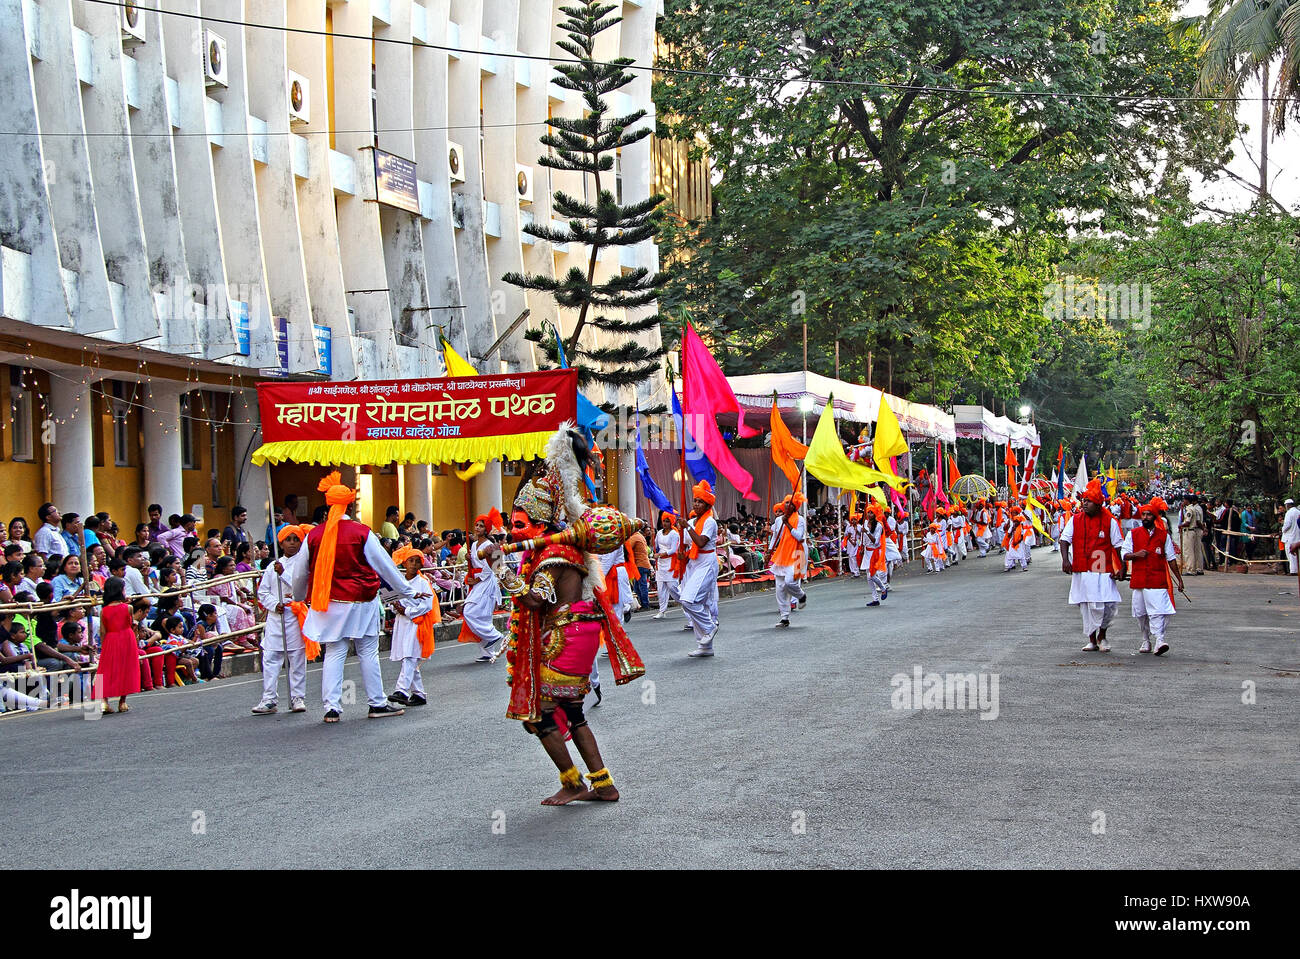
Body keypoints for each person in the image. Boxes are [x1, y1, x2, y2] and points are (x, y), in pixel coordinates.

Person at [490, 425, 645, 805]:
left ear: (542, 526)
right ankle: (602, 784)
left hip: (565, 636)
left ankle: (575, 782)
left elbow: (534, 601)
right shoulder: (566, 552)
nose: (514, 530)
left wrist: (500, 568)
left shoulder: (551, 556)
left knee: (539, 716)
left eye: (520, 525)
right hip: (578, 632)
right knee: (573, 713)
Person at [287, 471, 414, 723]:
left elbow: (300, 572)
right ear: (348, 504)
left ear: (327, 504)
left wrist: (300, 596)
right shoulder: (360, 532)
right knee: (367, 651)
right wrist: (407, 590)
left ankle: (332, 707)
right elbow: (384, 565)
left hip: (328, 603)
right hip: (360, 601)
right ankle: (376, 703)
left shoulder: (314, 535)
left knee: (335, 651)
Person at [1059, 480, 1125, 653]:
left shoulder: (1110, 521)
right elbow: (1064, 540)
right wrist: (1066, 560)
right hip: (1082, 569)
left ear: (1098, 504)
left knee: (1108, 605)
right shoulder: (1075, 520)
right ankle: (1092, 640)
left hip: (1103, 568)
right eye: (1084, 501)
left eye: (1088, 501)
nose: (1084, 504)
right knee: (1087, 605)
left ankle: (1102, 635)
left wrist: (1123, 566)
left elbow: (1118, 546)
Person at [253, 525, 310, 715]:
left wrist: (283, 572)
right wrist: (273, 604)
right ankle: (269, 698)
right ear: (281, 542)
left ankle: (297, 697)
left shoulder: (303, 563)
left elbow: (300, 587)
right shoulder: (272, 566)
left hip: (295, 615)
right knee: (271, 658)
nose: (292, 543)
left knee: (296, 659)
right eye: (288, 539)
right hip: (277, 617)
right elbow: (263, 591)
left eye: (296, 539)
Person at [1122, 498, 1184, 656]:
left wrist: (1179, 580)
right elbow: (1124, 554)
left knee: (1158, 611)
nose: (1145, 517)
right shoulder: (1133, 534)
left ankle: (1160, 640)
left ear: (1155, 517)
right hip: (1139, 580)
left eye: (1149, 515)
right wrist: (1137, 554)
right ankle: (1146, 639)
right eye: (1143, 514)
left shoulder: (1163, 536)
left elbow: (1171, 559)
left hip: (1157, 580)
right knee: (1141, 613)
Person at [386, 544, 438, 708]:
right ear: (404, 563)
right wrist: (397, 608)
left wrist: (407, 610)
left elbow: (427, 605)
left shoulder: (423, 582)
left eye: (417, 561)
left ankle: (401, 690)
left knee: (410, 657)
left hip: (417, 623)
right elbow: (392, 600)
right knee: (409, 657)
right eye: (411, 561)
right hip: (402, 623)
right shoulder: (399, 581)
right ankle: (419, 694)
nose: (414, 564)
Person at [678, 480, 721, 657]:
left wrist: (687, 527)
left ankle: (710, 627)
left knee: (688, 600)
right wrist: (683, 554)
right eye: (695, 500)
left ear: (708, 504)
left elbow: (701, 542)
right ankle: (705, 647)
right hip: (693, 564)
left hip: (707, 562)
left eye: (700, 501)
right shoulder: (692, 520)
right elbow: (689, 545)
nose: (696, 504)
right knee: (695, 603)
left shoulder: (709, 522)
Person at [458, 510, 507, 662]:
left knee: (470, 611)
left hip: (486, 582)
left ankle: (494, 636)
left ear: (486, 529)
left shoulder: (490, 545)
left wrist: (477, 580)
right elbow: (475, 563)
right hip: (477, 581)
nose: (477, 528)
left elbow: (491, 566)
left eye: (481, 526)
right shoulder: (473, 545)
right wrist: (469, 558)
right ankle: (487, 652)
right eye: (476, 525)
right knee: (481, 615)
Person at [96, 577, 140, 713]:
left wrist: (103, 646)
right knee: (126, 667)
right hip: (126, 637)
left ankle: (104, 701)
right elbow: (131, 624)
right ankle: (122, 702)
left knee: (106, 669)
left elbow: (103, 631)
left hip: (110, 638)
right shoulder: (129, 608)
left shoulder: (103, 611)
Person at [769, 493, 807, 627]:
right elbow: (775, 537)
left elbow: (799, 537)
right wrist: (769, 550)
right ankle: (784, 617)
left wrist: (788, 524)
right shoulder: (778, 520)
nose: (787, 505)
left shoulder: (800, 520)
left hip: (797, 553)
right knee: (780, 587)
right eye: (785, 502)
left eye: (790, 503)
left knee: (790, 582)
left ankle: (801, 595)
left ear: (795, 506)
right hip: (782, 554)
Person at [652, 510, 681, 620]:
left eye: (667, 521)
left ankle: (686, 603)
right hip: (660, 563)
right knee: (661, 589)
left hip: (670, 562)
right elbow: (655, 545)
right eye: (664, 521)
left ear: (672, 522)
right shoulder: (659, 533)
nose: (665, 523)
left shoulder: (674, 534)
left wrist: (661, 554)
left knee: (673, 588)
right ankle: (662, 611)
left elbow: (674, 549)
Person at [1178, 494, 1205, 575]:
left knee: (1189, 552)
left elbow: (1187, 522)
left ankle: (1191, 569)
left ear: (1187, 500)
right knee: (1194, 551)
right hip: (1192, 531)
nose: (1183, 502)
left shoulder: (1190, 509)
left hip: (1189, 531)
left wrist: (1180, 525)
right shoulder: (1192, 509)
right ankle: (1196, 568)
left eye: (1184, 500)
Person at [626, 526, 652, 611]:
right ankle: (643, 604)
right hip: (642, 564)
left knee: (641, 586)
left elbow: (626, 548)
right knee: (638, 586)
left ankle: (645, 605)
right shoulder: (639, 536)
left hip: (640, 565)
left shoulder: (635, 537)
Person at [1281, 498, 1300, 576]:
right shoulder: (1298, 512)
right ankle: (1296, 569)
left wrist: (1282, 530)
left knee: (1290, 555)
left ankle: (1293, 570)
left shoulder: (1289, 513)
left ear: (1288, 505)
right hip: (1297, 536)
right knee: (1297, 555)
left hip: (1289, 537)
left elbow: (1287, 525)